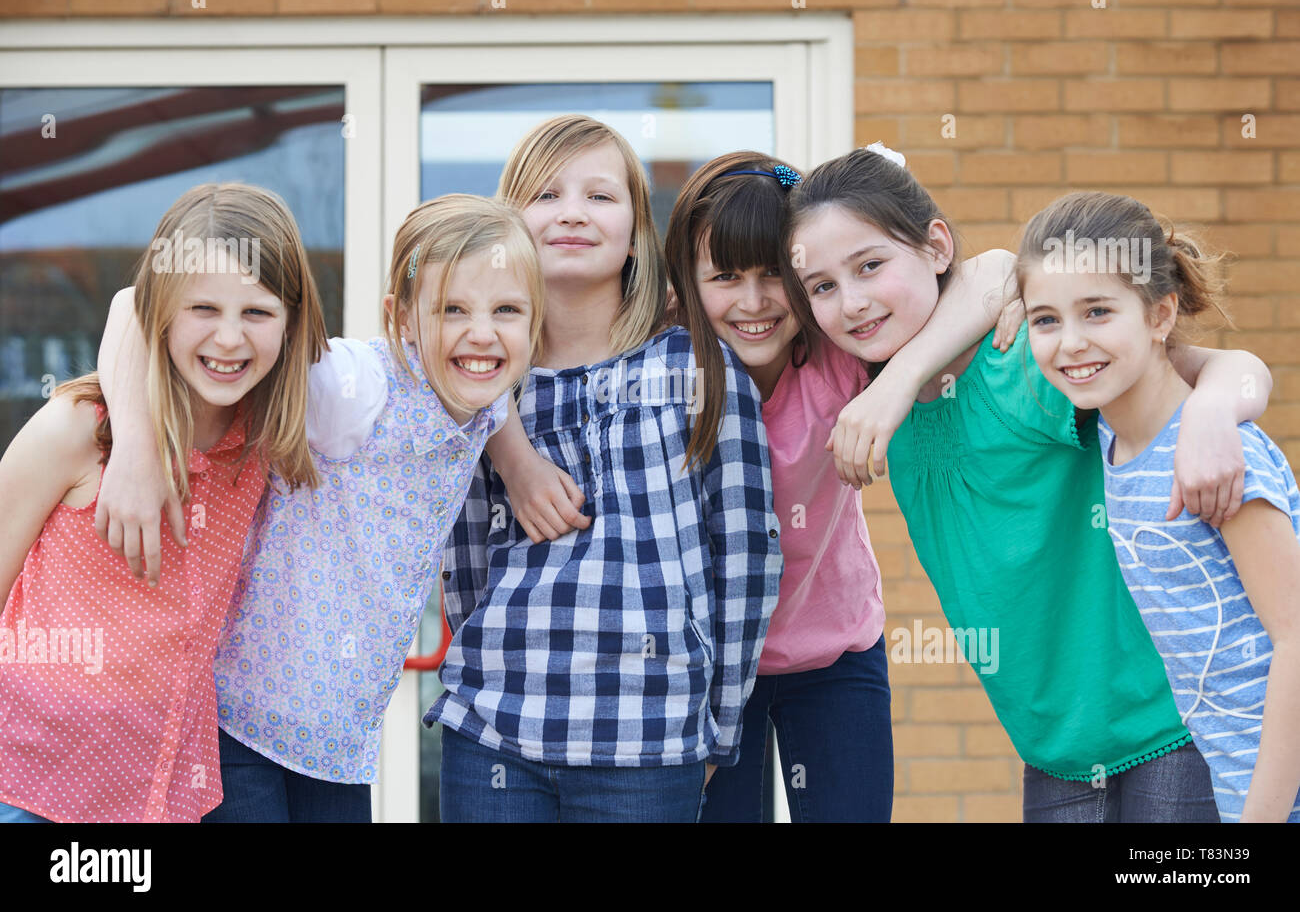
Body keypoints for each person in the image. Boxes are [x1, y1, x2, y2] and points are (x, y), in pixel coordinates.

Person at [784, 146, 1272, 821]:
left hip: (1171, 724)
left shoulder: (1023, 361)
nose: (853, 301)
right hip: (1052, 750)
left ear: (935, 246)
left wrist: (1215, 408)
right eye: (824, 286)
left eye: (871, 265)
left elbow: (1230, 367)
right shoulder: (867, 398)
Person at [95, 194, 542, 821]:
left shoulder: (486, 398)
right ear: (402, 318)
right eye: (451, 310)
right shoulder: (360, 387)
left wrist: (521, 465)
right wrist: (135, 453)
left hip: (338, 744)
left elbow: (495, 400)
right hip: (234, 722)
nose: (482, 332)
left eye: (507, 312)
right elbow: (128, 308)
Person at [427, 115, 783, 822]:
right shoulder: (485, 382)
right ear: (511, 225)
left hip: (648, 742)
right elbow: (461, 555)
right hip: (494, 730)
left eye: (599, 196)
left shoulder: (697, 371)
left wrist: (719, 723)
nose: (571, 214)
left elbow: (744, 554)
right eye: (546, 194)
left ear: (635, 231)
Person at [663, 151, 1018, 822]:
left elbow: (995, 271)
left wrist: (894, 385)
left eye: (777, 275)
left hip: (835, 650)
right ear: (691, 282)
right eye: (726, 277)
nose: (754, 301)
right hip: (708, 667)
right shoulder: (669, 367)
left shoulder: (842, 354)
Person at [0, 182, 327, 822]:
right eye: (202, 308)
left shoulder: (262, 442)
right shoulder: (78, 430)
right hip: (32, 789)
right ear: (164, 312)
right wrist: (134, 447)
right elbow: (129, 300)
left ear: (290, 323)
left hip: (174, 791)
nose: (230, 340)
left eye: (257, 314)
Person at [1019, 191, 1300, 822]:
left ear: (1160, 315)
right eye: (1045, 319)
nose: (1070, 344)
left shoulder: (1219, 456)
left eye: (1097, 311)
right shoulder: (1115, 440)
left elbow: (1297, 637)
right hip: (1229, 787)